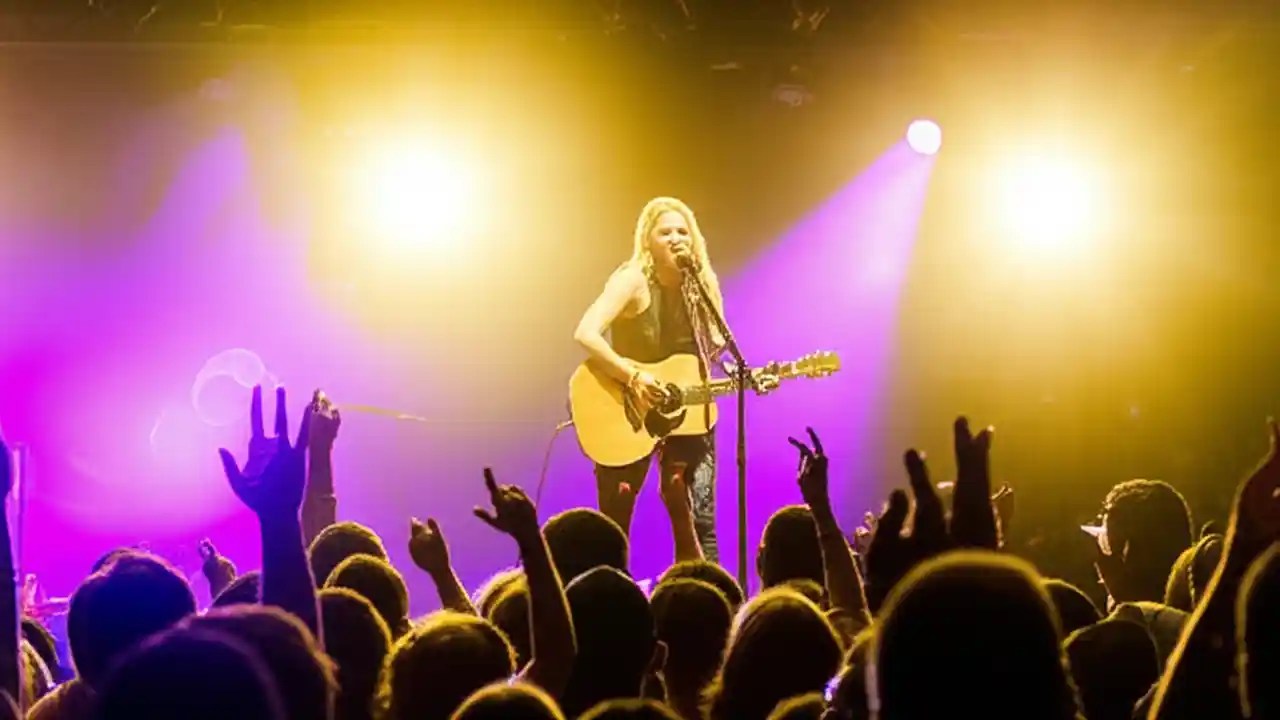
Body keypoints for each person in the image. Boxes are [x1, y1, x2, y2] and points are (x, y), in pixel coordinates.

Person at [573, 197, 726, 562]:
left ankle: (706, 603)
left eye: (683, 231)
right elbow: (586, 332)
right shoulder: (633, 280)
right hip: (629, 410)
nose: (676, 238)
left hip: (689, 416)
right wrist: (634, 375)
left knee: (700, 520)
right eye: (665, 232)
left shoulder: (701, 284)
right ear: (648, 241)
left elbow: (718, 346)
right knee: (615, 522)